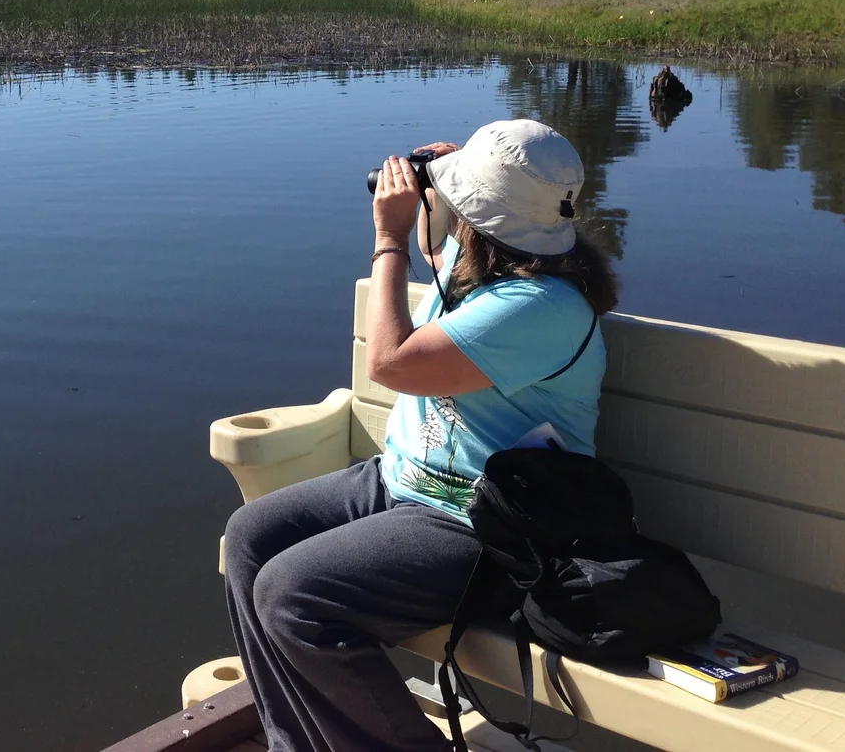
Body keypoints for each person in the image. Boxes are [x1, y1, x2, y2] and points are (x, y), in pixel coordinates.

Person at [223, 119, 619, 752]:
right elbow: (444, 252)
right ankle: (292, 744)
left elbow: (390, 363)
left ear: (484, 217)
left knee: (294, 596)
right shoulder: (489, 260)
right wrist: (444, 183)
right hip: (401, 484)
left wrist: (389, 239)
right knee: (251, 538)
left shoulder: (539, 307)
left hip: (482, 527)